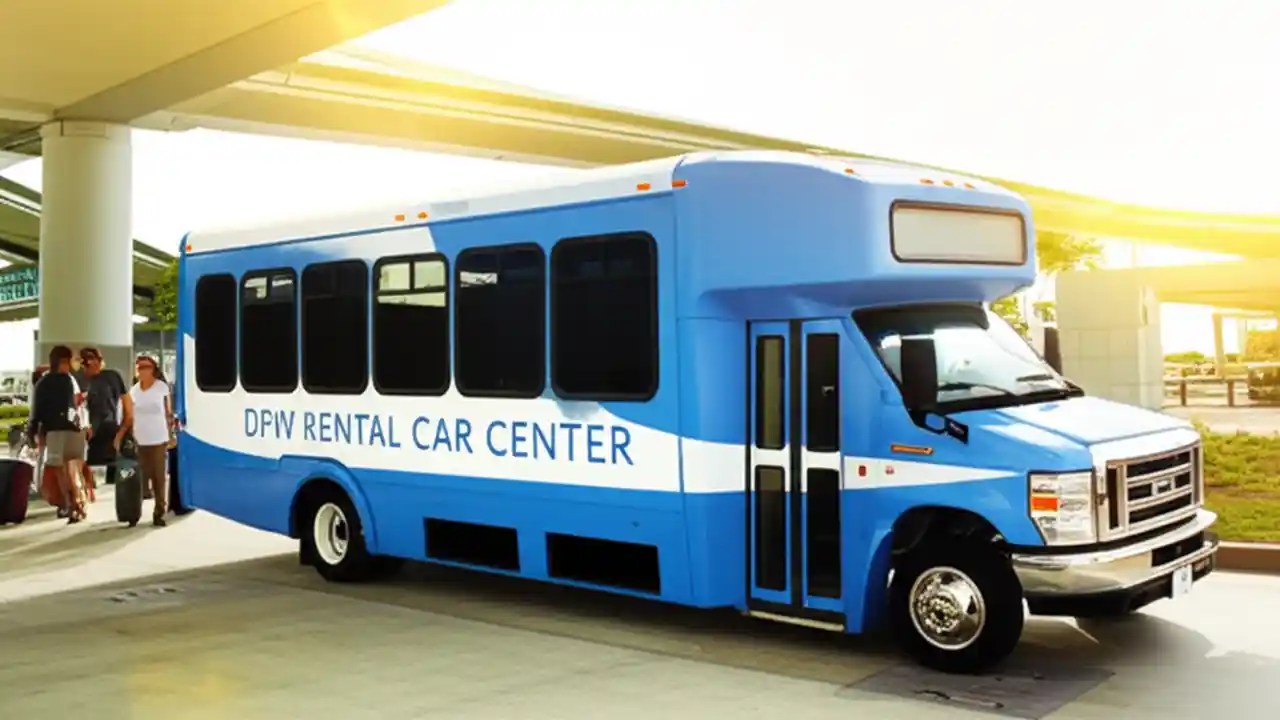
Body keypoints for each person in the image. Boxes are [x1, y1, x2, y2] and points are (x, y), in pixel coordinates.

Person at [28, 346, 88, 523]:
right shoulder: (69, 380)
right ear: (62, 361)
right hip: (74, 429)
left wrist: (33, 432)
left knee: (62, 470)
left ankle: (71, 504)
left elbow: (36, 411)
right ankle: (78, 502)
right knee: (73, 469)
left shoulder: (43, 383)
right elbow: (76, 406)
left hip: (55, 430)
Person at [125, 354, 173, 527]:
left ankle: (159, 512)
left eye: (147, 367)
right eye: (140, 368)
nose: (143, 371)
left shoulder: (161, 388)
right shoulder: (134, 391)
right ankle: (133, 512)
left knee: (159, 477)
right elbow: (129, 415)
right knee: (139, 479)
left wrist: (171, 432)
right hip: (140, 438)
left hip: (158, 438)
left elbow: (168, 411)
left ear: (153, 369)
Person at [79, 347, 133, 488]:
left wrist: (120, 435)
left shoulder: (112, 376)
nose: (90, 365)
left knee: (112, 481)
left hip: (110, 433)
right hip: (88, 436)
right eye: (86, 362)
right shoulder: (80, 380)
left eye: (93, 360)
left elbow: (128, 408)